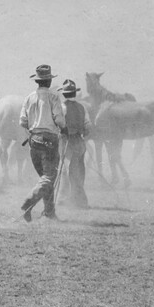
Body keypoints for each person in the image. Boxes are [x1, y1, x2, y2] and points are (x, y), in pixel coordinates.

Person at [19, 64, 66, 221]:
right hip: (49, 141)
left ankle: (49, 212)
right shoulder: (53, 97)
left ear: (37, 81)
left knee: (46, 179)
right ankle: (29, 201)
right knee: (49, 177)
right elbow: (59, 119)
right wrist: (64, 128)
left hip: (34, 142)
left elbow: (23, 122)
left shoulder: (29, 98)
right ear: (49, 81)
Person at [58, 78, 91, 209]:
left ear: (64, 94)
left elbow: (59, 125)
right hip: (80, 142)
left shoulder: (61, 107)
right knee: (80, 170)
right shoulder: (82, 107)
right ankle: (79, 200)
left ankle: (64, 198)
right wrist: (82, 134)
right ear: (75, 94)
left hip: (66, 142)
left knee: (66, 170)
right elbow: (88, 126)